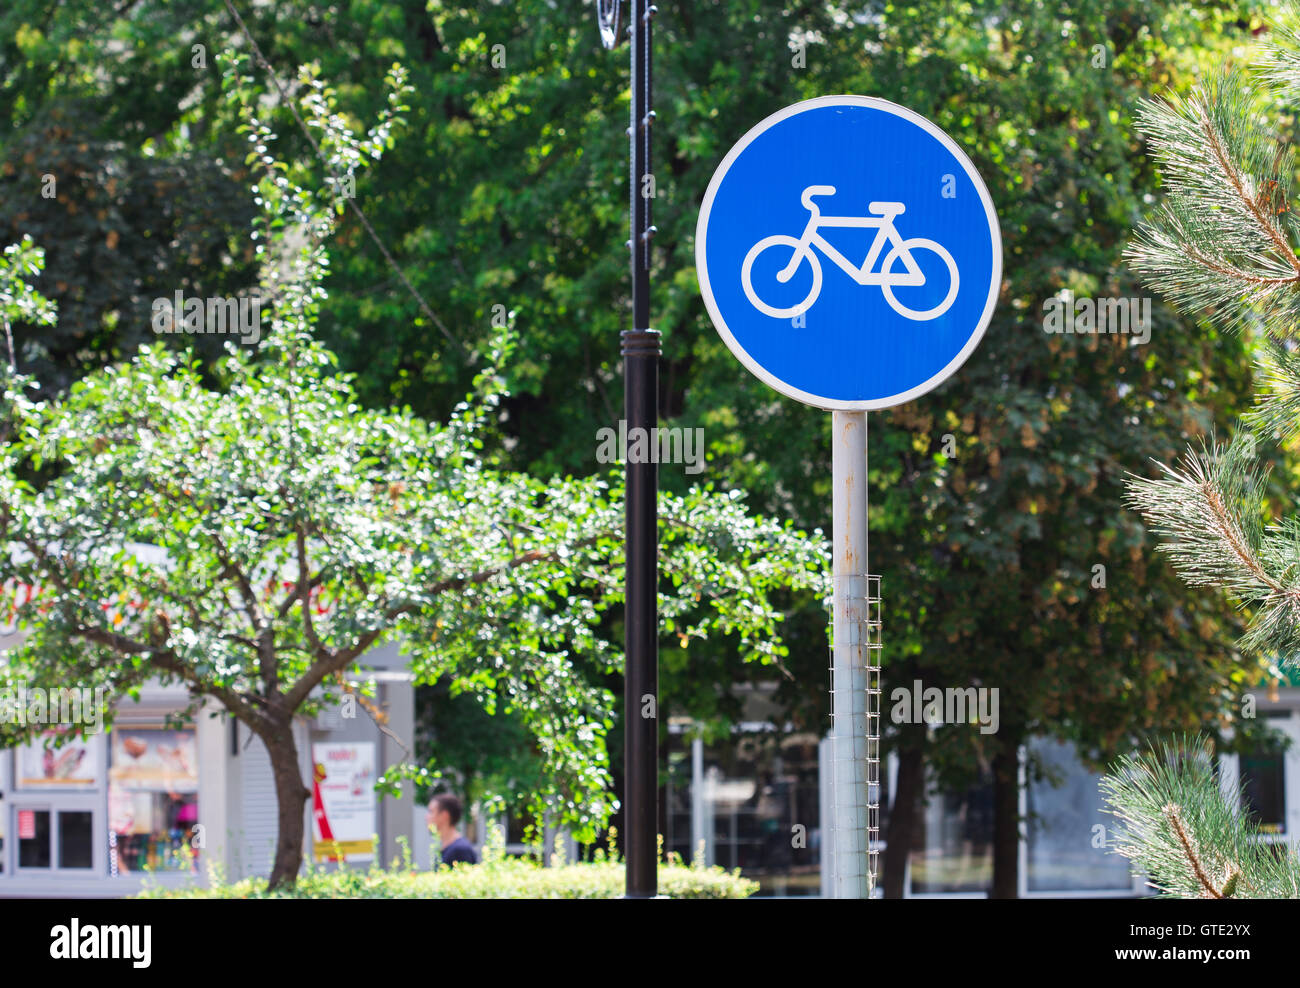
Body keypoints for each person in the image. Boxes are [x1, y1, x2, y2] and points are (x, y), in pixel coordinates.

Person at [427, 792, 479, 867]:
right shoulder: (445, 849)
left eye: (431, 812)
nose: (427, 817)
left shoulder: (461, 850)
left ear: (444, 815)